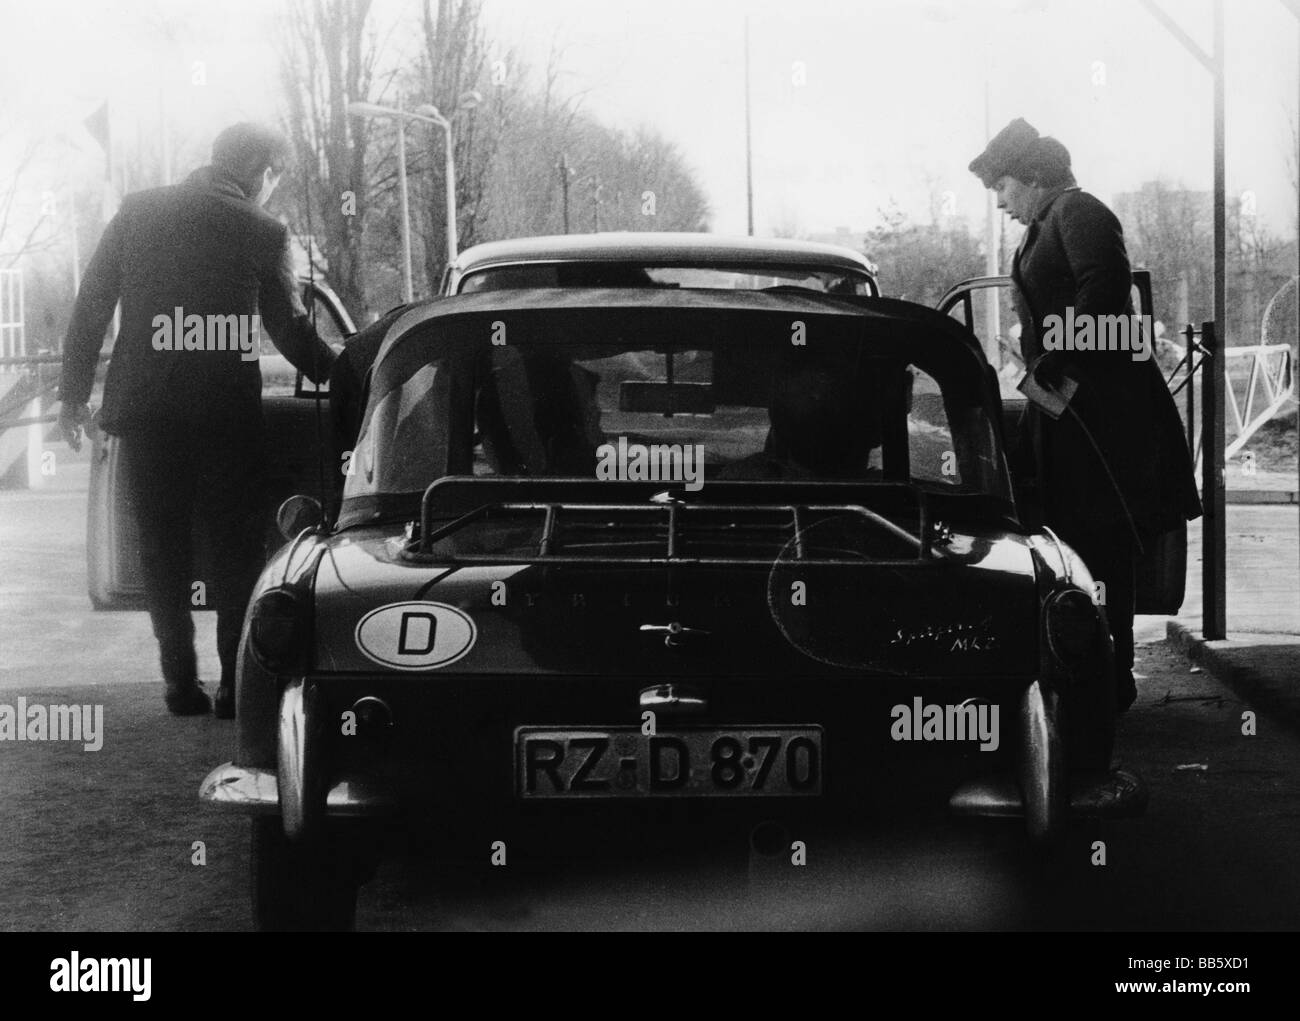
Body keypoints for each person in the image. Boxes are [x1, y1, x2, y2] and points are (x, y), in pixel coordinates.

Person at [59, 122, 337, 717]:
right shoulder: (262, 229)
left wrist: (72, 393)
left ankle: (179, 685)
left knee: (163, 547)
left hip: (147, 412)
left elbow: (92, 304)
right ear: (263, 172)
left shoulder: (138, 212)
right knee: (236, 550)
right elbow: (288, 328)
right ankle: (236, 687)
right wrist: (350, 376)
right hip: (223, 416)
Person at [969, 118, 1201, 712]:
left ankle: (1110, 674)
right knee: (1073, 536)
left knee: (1100, 540)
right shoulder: (1051, 223)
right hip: (1073, 407)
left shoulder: (1080, 213)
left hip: (1102, 415)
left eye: (1003, 188)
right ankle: (1088, 668)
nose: (1000, 203)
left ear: (1031, 178)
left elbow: (1105, 290)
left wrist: (1056, 355)